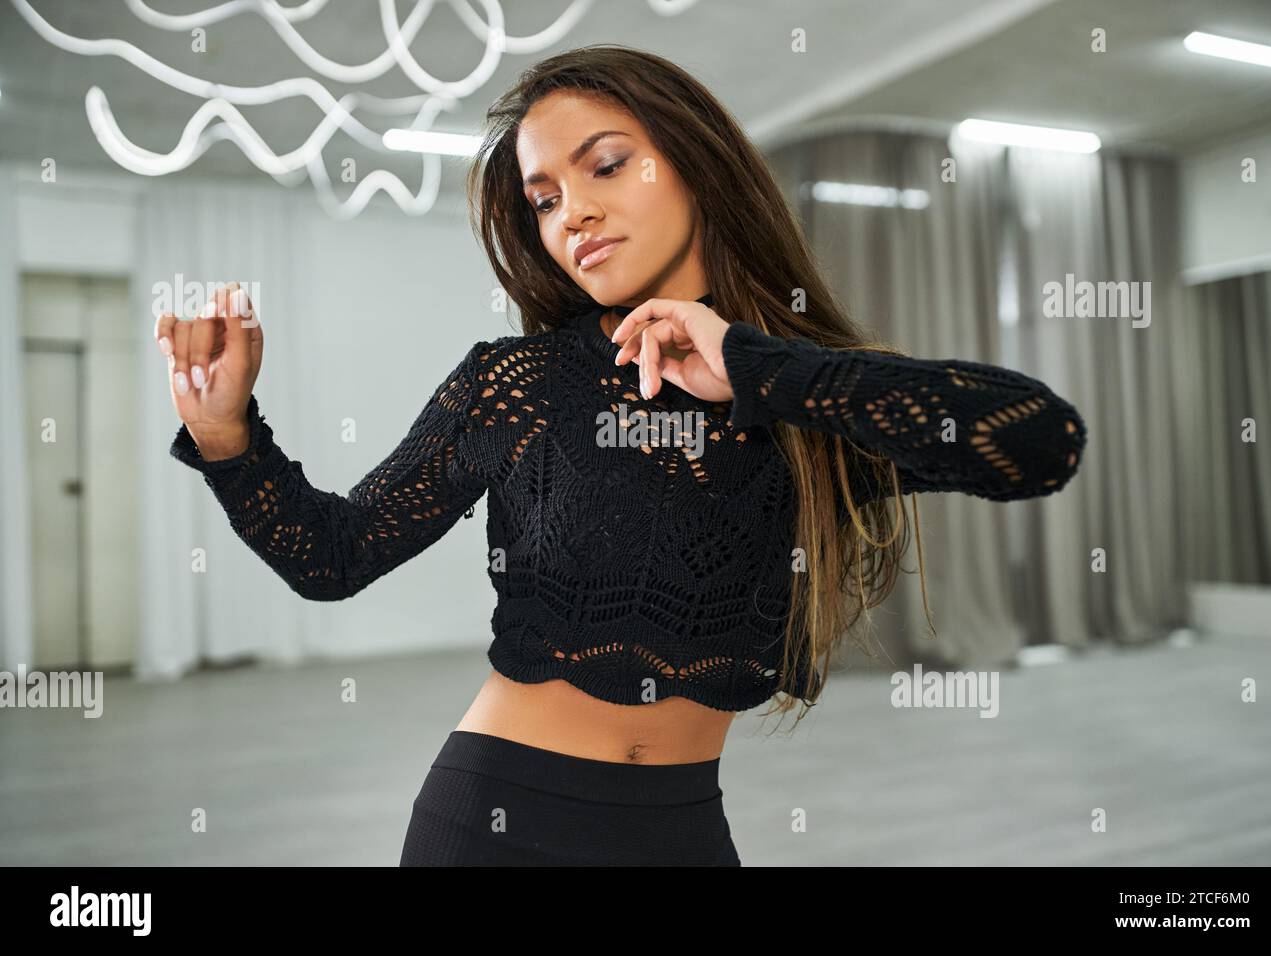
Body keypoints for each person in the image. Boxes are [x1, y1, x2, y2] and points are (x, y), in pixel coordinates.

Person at [155, 45, 1087, 867]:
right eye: (545, 199)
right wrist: (227, 434)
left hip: (683, 830)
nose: (574, 215)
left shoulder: (801, 396)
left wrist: (753, 364)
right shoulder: (514, 384)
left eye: (607, 166)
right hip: (493, 824)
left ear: (698, 167)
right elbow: (333, 557)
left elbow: (1038, 441)